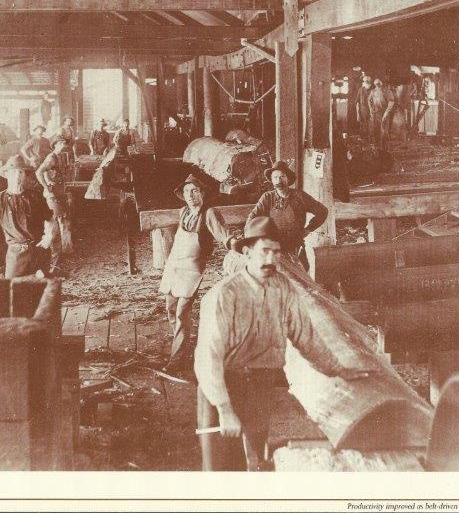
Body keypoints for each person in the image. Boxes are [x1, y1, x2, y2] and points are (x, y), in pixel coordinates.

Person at [194, 217, 369, 471]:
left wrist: (337, 369)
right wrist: (224, 408)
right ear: (246, 252)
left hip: (259, 385)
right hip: (221, 385)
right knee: (221, 472)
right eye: (264, 251)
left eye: (276, 252)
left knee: (254, 460)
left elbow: (306, 337)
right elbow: (208, 357)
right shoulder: (224, 294)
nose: (272, 259)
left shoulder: (284, 289)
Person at [158, 173, 236, 377]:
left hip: (192, 269)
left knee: (183, 313)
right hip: (174, 267)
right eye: (186, 191)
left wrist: (237, 246)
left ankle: (177, 360)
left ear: (202, 193)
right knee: (171, 309)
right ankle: (183, 350)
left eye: (194, 191)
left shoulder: (209, 213)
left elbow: (224, 235)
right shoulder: (183, 211)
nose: (190, 195)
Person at [247, 160, 328, 270]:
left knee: (302, 277)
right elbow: (252, 218)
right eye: (275, 177)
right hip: (274, 248)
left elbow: (322, 211)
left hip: (295, 246)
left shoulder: (299, 196)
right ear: (271, 180)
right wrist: (252, 240)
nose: (278, 180)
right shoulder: (267, 198)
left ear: (288, 179)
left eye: (282, 177)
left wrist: (309, 229)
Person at [35, 136, 70, 276]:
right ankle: (42, 265)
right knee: (52, 232)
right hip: (52, 197)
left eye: (64, 143)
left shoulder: (59, 156)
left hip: (58, 196)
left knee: (58, 231)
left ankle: (55, 267)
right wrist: (46, 186)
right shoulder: (52, 158)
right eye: (61, 143)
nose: (63, 145)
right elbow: (39, 172)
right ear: (55, 144)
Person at [368, 78, 396, 150]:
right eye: (376, 84)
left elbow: (391, 102)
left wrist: (386, 113)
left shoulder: (387, 91)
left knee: (384, 131)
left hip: (384, 113)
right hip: (375, 113)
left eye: (379, 84)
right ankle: (377, 148)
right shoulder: (373, 91)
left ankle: (385, 148)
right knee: (375, 130)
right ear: (375, 85)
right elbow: (369, 100)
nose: (377, 86)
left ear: (381, 84)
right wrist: (371, 109)